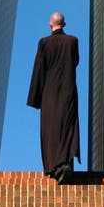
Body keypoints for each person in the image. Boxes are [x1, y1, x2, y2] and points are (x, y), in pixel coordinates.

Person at [27, 12, 80, 183]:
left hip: (49, 93)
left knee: (50, 129)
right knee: (68, 126)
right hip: (68, 91)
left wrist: (36, 97)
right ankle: (66, 164)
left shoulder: (44, 43)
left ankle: (55, 167)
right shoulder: (73, 41)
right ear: (63, 24)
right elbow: (75, 62)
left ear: (51, 23)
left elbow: (39, 70)